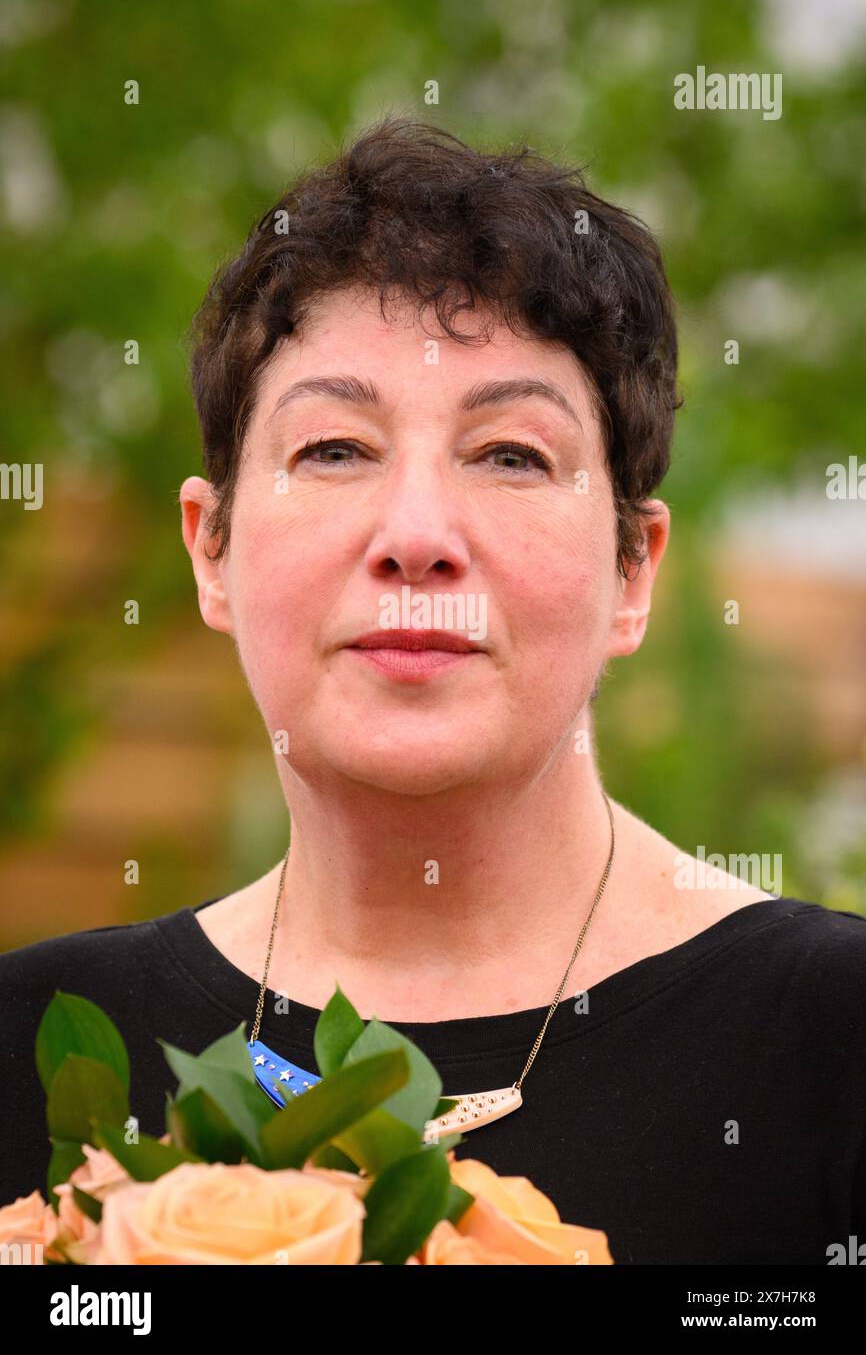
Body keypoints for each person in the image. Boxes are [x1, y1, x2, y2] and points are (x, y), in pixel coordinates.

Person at [2, 117, 864, 1264]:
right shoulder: (38, 1048)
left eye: (509, 453)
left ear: (631, 569)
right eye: (334, 449)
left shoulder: (829, 1040)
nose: (416, 537)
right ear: (210, 549)